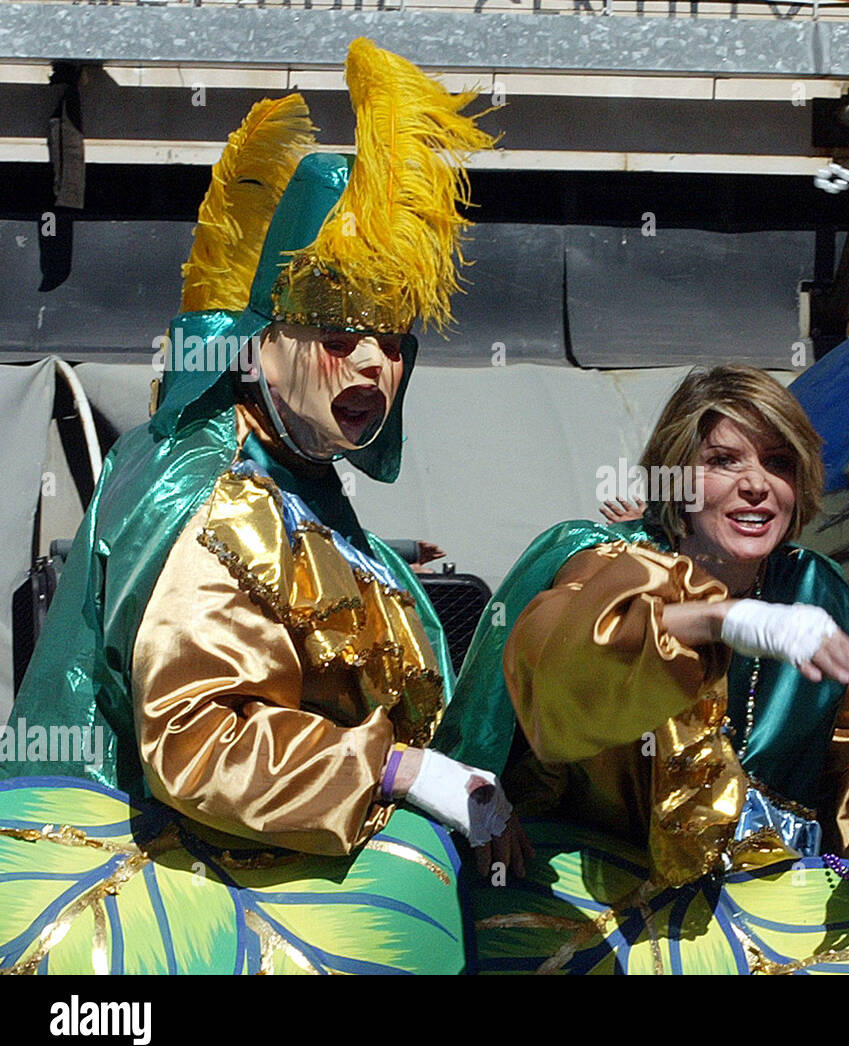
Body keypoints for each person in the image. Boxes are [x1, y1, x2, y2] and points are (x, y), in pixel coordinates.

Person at [0, 39, 522, 976]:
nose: (374, 365)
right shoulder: (211, 489)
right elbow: (199, 740)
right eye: (338, 330)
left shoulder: (291, 477)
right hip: (139, 918)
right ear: (261, 336)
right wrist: (401, 771)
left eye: (394, 338)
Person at [436, 366, 849, 974]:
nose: (756, 485)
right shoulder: (609, 561)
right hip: (591, 925)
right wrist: (721, 621)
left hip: (769, 925)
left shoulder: (809, 588)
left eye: (777, 463)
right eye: (723, 461)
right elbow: (567, 676)